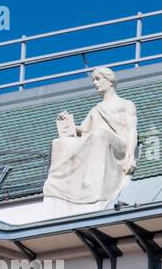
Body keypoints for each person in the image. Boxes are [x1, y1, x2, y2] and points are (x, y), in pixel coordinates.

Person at [43, 67, 137, 204]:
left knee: (99, 134)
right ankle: (56, 187)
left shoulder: (125, 104)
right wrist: (68, 123)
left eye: (98, 79)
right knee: (59, 143)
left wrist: (131, 158)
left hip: (118, 147)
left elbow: (131, 131)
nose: (95, 83)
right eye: (93, 80)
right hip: (99, 141)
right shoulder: (95, 110)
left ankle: (94, 189)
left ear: (109, 80)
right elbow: (84, 130)